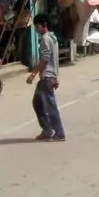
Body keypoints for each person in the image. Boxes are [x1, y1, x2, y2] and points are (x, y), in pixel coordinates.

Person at [26, 14, 65, 142]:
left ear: (44, 25)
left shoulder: (45, 39)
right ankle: (47, 129)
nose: (36, 29)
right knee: (37, 103)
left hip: (47, 78)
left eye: (37, 26)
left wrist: (33, 74)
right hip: (49, 76)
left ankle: (59, 133)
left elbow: (45, 59)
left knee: (50, 106)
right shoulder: (53, 38)